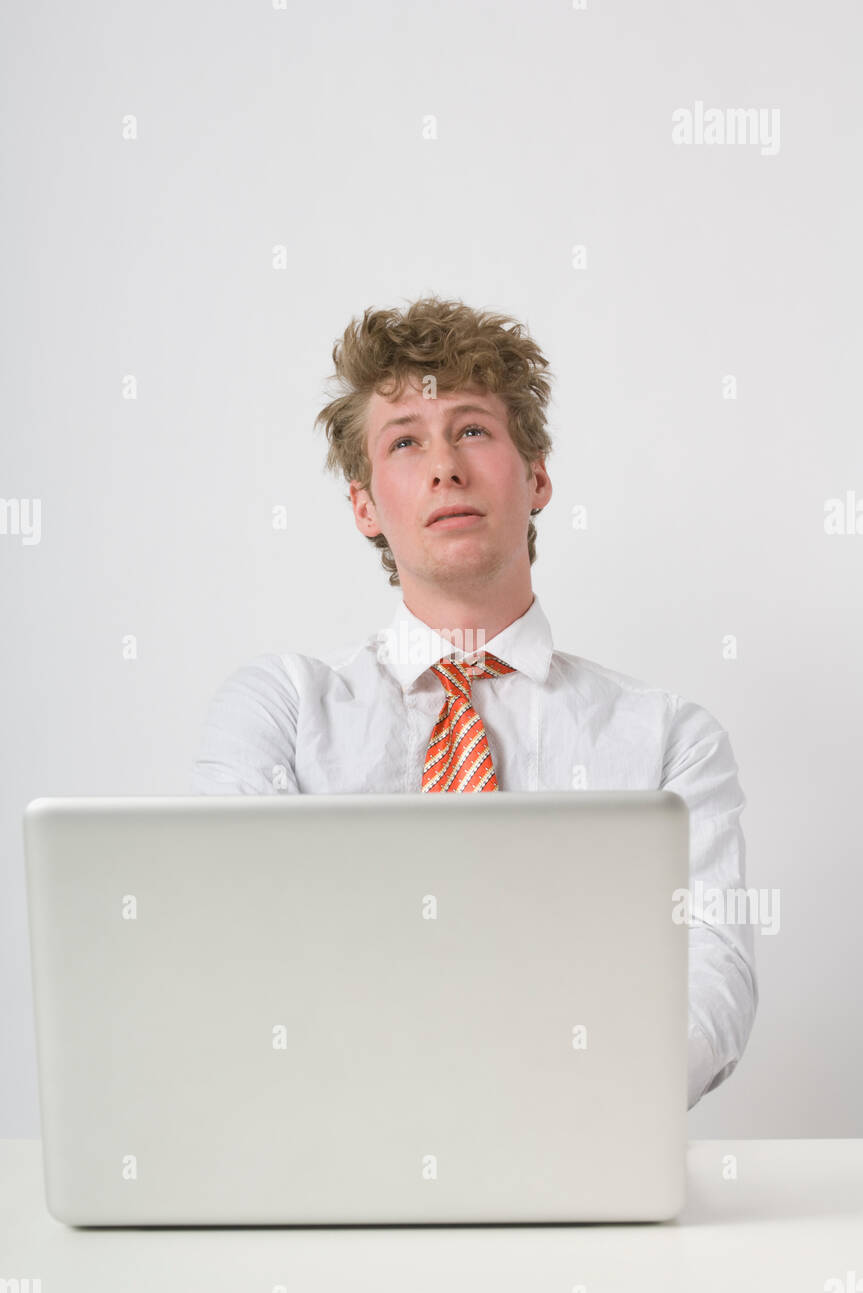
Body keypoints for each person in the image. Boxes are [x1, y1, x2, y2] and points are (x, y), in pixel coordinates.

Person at [191, 295, 757, 1110]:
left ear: (535, 476)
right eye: (405, 441)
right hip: (340, 1146)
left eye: (472, 430)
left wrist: (565, 1100)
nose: (444, 466)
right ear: (362, 506)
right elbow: (233, 947)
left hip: (585, 1141)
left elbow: (712, 970)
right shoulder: (279, 711)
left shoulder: (670, 739)